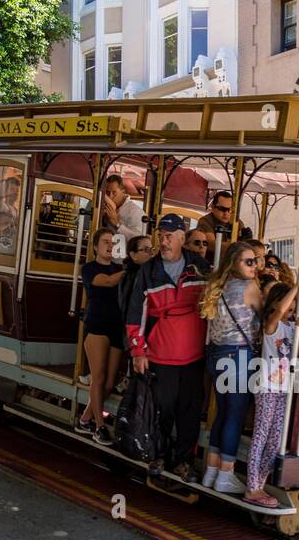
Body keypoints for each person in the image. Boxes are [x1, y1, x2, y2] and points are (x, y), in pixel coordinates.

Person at [125, 213, 209, 482]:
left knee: (190, 411)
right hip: (160, 354)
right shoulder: (148, 271)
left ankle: (184, 461)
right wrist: (138, 351)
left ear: (183, 238)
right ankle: (158, 454)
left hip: (194, 355)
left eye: (169, 236)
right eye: (161, 235)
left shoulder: (200, 268)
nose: (163, 241)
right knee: (162, 408)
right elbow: (135, 313)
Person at [199, 241, 262, 493]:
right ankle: (226, 474)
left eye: (255, 261)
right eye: (249, 261)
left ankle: (211, 472)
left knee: (222, 413)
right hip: (239, 356)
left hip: (216, 354)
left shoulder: (217, 286)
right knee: (235, 415)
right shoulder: (250, 287)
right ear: (234, 263)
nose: (254, 266)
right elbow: (268, 315)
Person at [245, 281, 299, 509]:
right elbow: (278, 311)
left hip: (284, 388)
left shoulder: (289, 327)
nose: (291, 308)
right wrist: (298, 285)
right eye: (289, 304)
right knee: (261, 434)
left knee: (275, 439)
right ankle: (252, 488)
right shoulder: (271, 325)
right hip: (267, 387)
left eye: (294, 305)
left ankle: (260, 482)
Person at [76, 228, 126, 444]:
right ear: (95, 246)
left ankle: (85, 419)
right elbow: (105, 282)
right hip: (97, 326)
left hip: (116, 326)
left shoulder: (119, 268)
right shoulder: (89, 268)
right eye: (105, 241)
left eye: (112, 242)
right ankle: (99, 426)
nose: (109, 245)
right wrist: (128, 270)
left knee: (108, 382)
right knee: (99, 376)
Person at [100, 173, 145, 241]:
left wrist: (117, 223)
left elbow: (138, 240)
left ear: (123, 192)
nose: (110, 196)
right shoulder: (104, 206)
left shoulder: (135, 211)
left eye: (114, 192)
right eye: (107, 192)